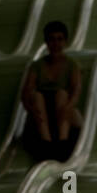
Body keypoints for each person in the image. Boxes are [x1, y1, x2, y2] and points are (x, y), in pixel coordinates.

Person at [20, 20, 83, 163]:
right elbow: (26, 91)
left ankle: (62, 141)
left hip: (62, 108)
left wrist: (67, 107)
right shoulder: (37, 66)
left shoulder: (72, 65)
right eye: (52, 40)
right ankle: (46, 142)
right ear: (46, 42)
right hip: (43, 109)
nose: (56, 44)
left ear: (65, 42)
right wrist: (31, 109)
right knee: (37, 96)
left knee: (62, 94)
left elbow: (76, 90)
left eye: (59, 39)